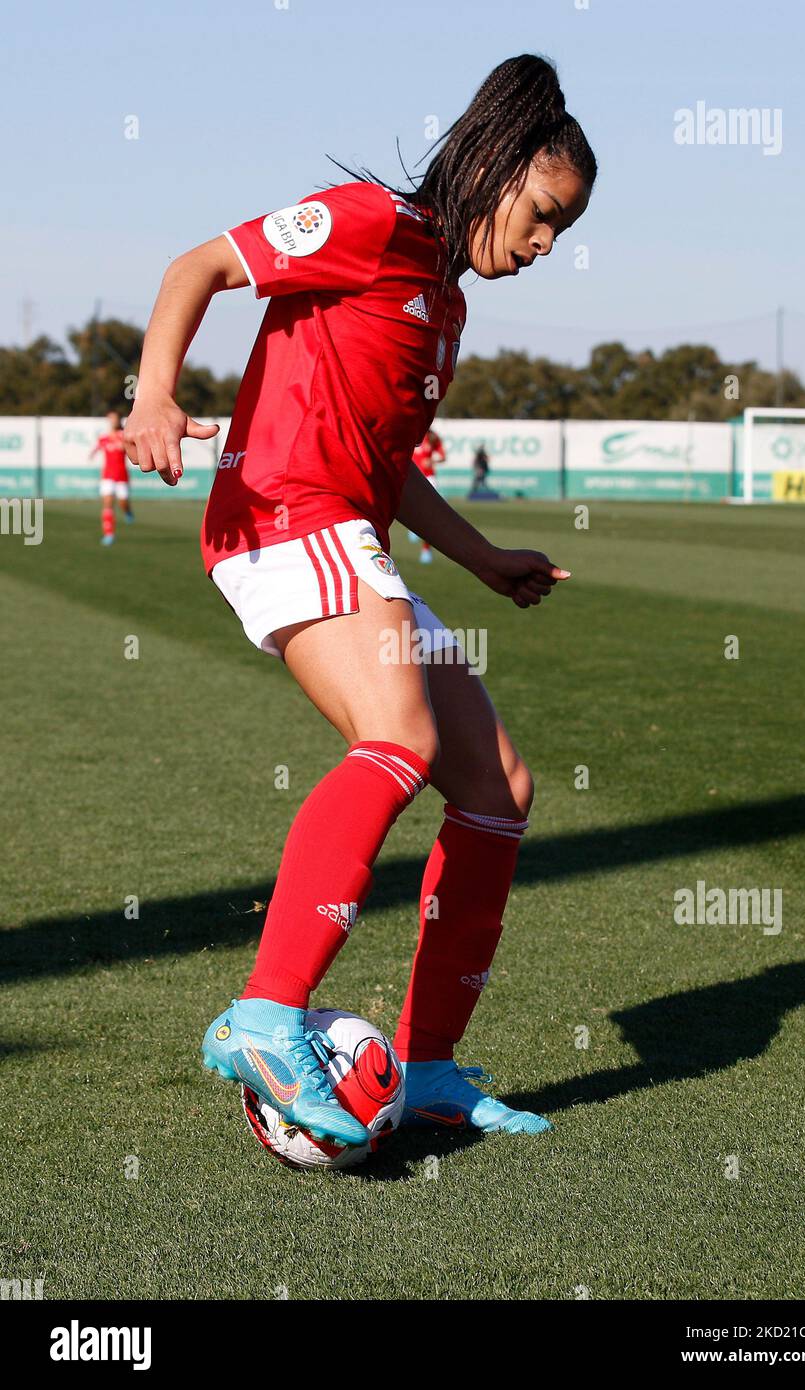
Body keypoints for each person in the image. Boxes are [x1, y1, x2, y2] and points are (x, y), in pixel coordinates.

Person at [124, 53, 596, 1147]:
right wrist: (154, 393)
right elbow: (194, 266)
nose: (541, 246)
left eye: (559, 232)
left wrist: (479, 557)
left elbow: (385, 466)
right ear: (492, 166)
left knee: (497, 782)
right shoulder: (369, 223)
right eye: (539, 215)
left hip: (348, 525)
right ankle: (266, 1014)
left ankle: (425, 1068)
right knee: (397, 735)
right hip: (284, 515)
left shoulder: (443, 306)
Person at [91, 409, 133, 544]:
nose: (112, 421)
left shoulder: (124, 436)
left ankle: (127, 511)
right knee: (108, 504)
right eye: (110, 418)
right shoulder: (103, 438)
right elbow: (95, 450)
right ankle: (109, 534)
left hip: (122, 476)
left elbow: (133, 452)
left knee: (122, 503)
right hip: (107, 476)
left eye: (114, 418)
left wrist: (125, 447)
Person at [409, 428, 446, 562]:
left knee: (428, 514)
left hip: (429, 478)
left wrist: (432, 461)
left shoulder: (432, 437)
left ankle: (426, 550)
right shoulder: (411, 432)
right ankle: (413, 525)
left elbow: (443, 456)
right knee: (412, 507)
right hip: (411, 478)